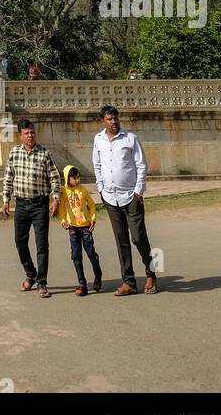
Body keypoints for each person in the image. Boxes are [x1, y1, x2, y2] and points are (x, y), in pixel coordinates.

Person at [92, 104, 157, 296]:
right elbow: (97, 165)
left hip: (131, 196)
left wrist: (138, 192)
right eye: (109, 119)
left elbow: (141, 165)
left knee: (139, 238)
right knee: (121, 241)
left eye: (115, 118)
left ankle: (151, 273)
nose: (113, 122)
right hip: (110, 197)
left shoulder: (130, 138)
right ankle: (128, 282)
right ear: (103, 121)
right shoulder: (98, 140)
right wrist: (101, 188)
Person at [2, 118, 60, 299]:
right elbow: (8, 177)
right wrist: (5, 199)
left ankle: (42, 282)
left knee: (42, 245)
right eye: (26, 133)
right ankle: (31, 273)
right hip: (21, 204)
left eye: (32, 132)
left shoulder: (44, 153)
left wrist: (55, 198)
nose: (30, 136)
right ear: (20, 136)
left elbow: (55, 178)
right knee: (20, 241)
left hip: (39, 205)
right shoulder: (14, 153)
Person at [59, 165, 102, 296]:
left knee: (90, 253)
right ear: (67, 178)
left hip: (85, 227)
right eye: (74, 178)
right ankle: (82, 283)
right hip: (72, 228)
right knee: (76, 256)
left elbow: (92, 205)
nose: (77, 180)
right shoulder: (64, 192)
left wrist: (93, 218)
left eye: (78, 177)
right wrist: (63, 220)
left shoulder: (83, 190)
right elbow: (62, 208)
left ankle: (98, 276)